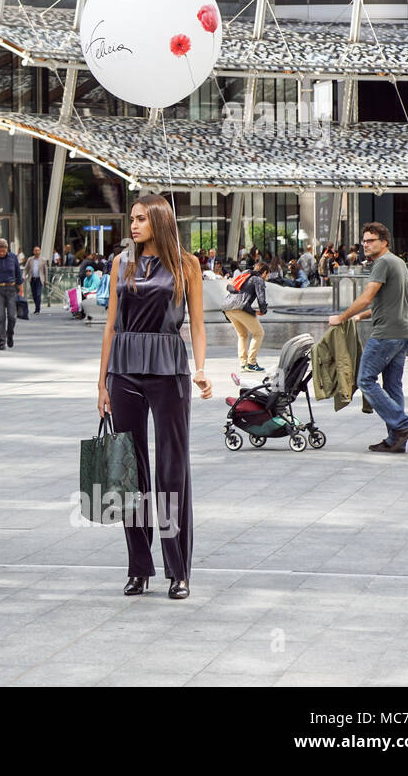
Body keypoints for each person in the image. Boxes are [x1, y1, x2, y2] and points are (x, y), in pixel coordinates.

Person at [97, 194, 211, 601]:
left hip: (170, 370)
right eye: (131, 219)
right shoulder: (120, 263)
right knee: (129, 471)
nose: (133, 225)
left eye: (141, 219)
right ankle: (138, 567)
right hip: (124, 369)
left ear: (160, 220)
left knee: (171, 470)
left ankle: (178, 570)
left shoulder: (187, 265)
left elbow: (197, 323)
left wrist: (200, 368)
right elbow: (110, 325)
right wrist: (101, 383)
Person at [326, 222, 408, 452]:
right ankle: (396, 440)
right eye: (364, 241)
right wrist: (361, 317)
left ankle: (402, 423)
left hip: (386, 334)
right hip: (403, 332)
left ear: (384, 242)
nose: (365, 245)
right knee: (393, 386)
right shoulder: (398, 262)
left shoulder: (382, 263)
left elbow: (367, 297)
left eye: (371, 240)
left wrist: (342, 316)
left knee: (365, 380)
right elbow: (391, 301)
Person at [224, 263, 269, 372]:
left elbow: (230, 287)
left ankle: (243, 363)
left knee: (242, 334)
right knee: (259, 333)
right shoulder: (258, 279)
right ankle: (252, 363)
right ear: (264, 272)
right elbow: (261, 297)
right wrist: (263, 310)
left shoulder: (244, 276)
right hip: (240, 307)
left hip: (227, 307)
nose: (267, 278)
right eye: (267, 275)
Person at [0, 238, 22, 351]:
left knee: (12, 316)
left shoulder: (13, 258)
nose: (2, 253)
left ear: (7, 249)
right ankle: (2, 341)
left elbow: (18, 273)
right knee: (0, 317)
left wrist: (21, 290)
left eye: (4, 250)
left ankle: (10, 334)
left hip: (11, 289)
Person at [23, 245, 47, 313]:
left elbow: (45, 271)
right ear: (33, 251)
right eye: (35, 250)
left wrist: (46, 280)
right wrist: (23, 276)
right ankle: (37, 306)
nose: (37, 252)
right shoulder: (30, 259)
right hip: (32, 279)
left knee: (38, 294)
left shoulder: (43, 260)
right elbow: (25, 269)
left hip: (39, 279)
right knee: (34, 294)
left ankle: (37, 309)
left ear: (40, 251)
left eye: (38, 250)